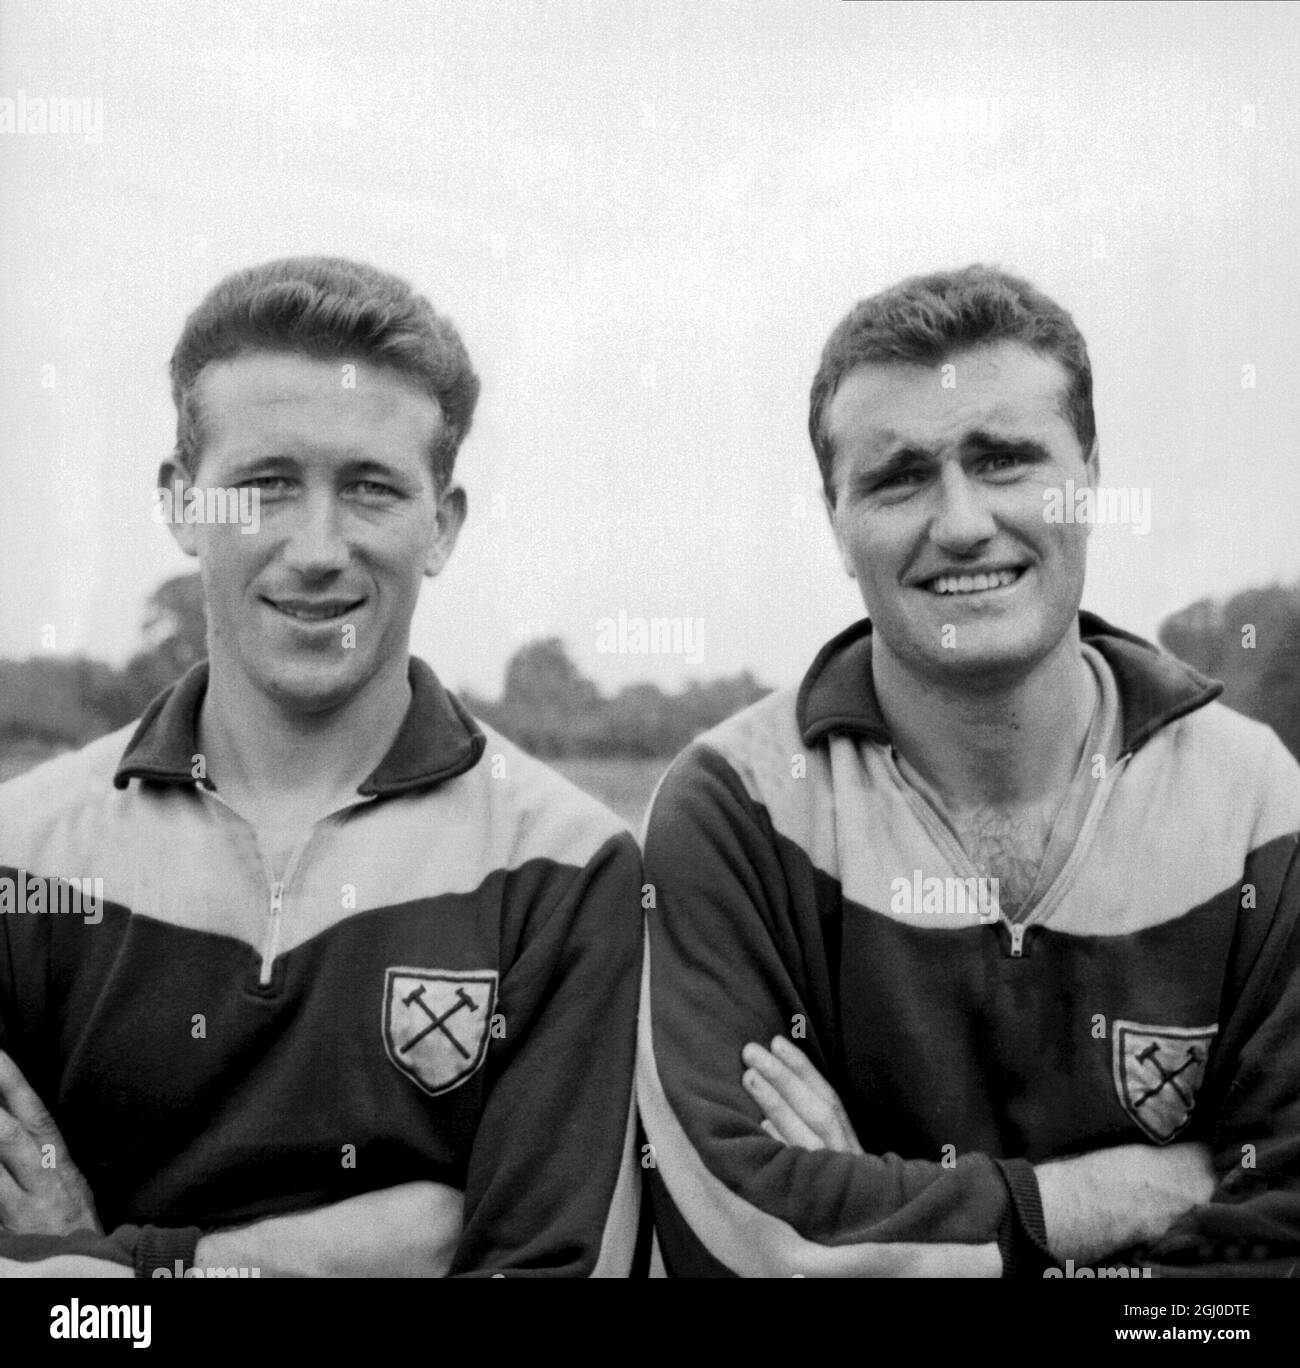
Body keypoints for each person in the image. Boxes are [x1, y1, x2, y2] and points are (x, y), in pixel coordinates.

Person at [637, 265, 1300, 1277]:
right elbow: (751, 1239)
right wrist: (1099, 1202)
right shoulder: (734, 807)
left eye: (1003, 461)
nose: (957, 523)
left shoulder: (1253, 800)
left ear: (1088, 477)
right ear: (834, 517)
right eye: (898, 477)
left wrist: (893, 1226)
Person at [0, 257, 643, 1278]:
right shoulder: (21, 852)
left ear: (443, 524)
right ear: (179, 505)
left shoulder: (567, 868)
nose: (317, 547)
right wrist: (346, 1255)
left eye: (372, 489)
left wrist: (96, 1267)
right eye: (263, 486)